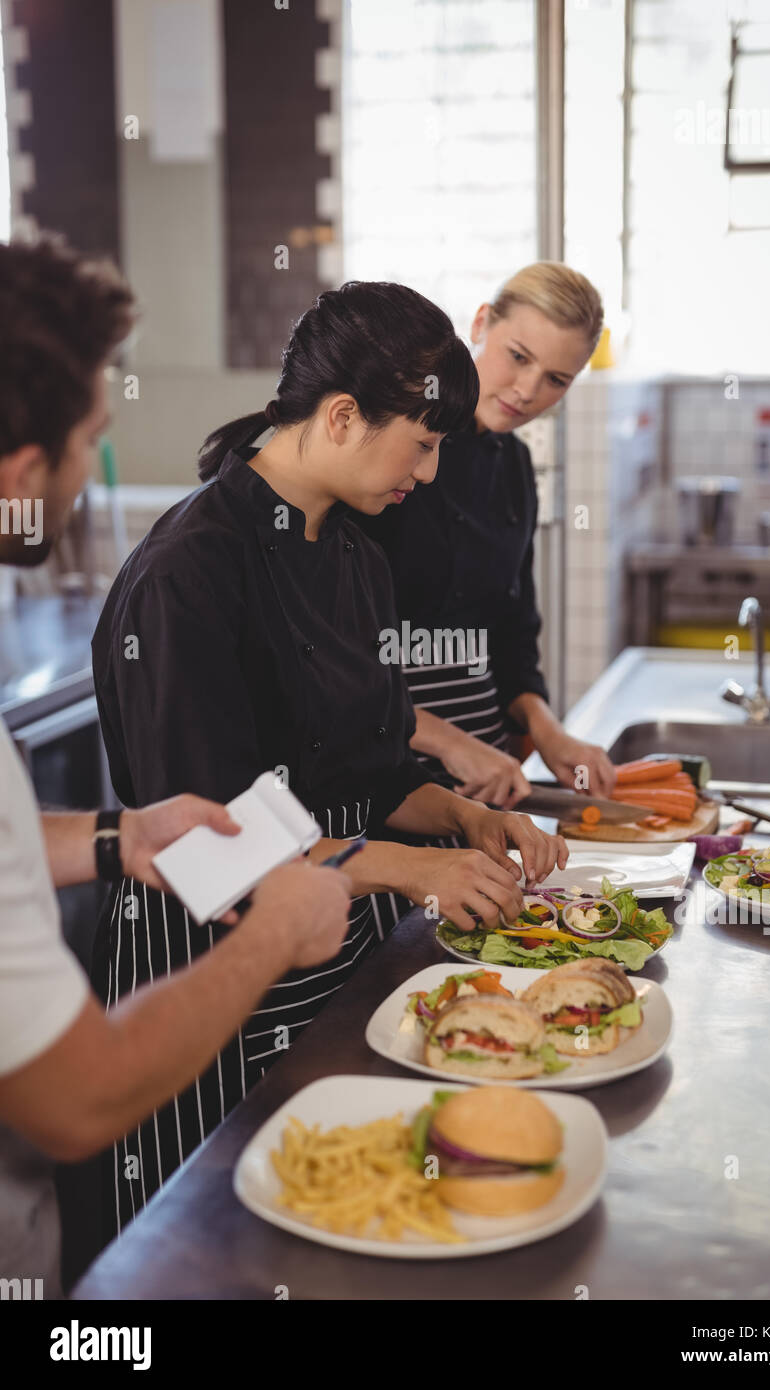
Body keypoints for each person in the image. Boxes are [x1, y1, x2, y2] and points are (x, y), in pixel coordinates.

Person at [91, 279, 568, 1230]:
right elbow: (210, 845)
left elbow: (376, 768)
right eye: (424, 444)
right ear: (343, 416)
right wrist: (411, 870)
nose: (429, 476)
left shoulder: (354, 555)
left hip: (331, 961)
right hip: (205, 979)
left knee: (339, 1222)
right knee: (211, 1248)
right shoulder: (188, 574)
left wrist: (464, 815)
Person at [0, 234, 352, 1298]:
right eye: (89, 440)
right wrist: (274, 938)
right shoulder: (185, 569)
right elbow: (80, 1096)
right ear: (24, 471)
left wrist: (117, 836)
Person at [357, 262, 616, 810]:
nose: (527, 390)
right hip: (386, 781)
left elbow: (513, 636)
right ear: (479, 324)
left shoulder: (517, 466)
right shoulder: (385, 451)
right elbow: (334, 659)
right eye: (518, 357)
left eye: (556, 379)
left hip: (490, 784)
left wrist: (548, 733)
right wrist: (450, 744)